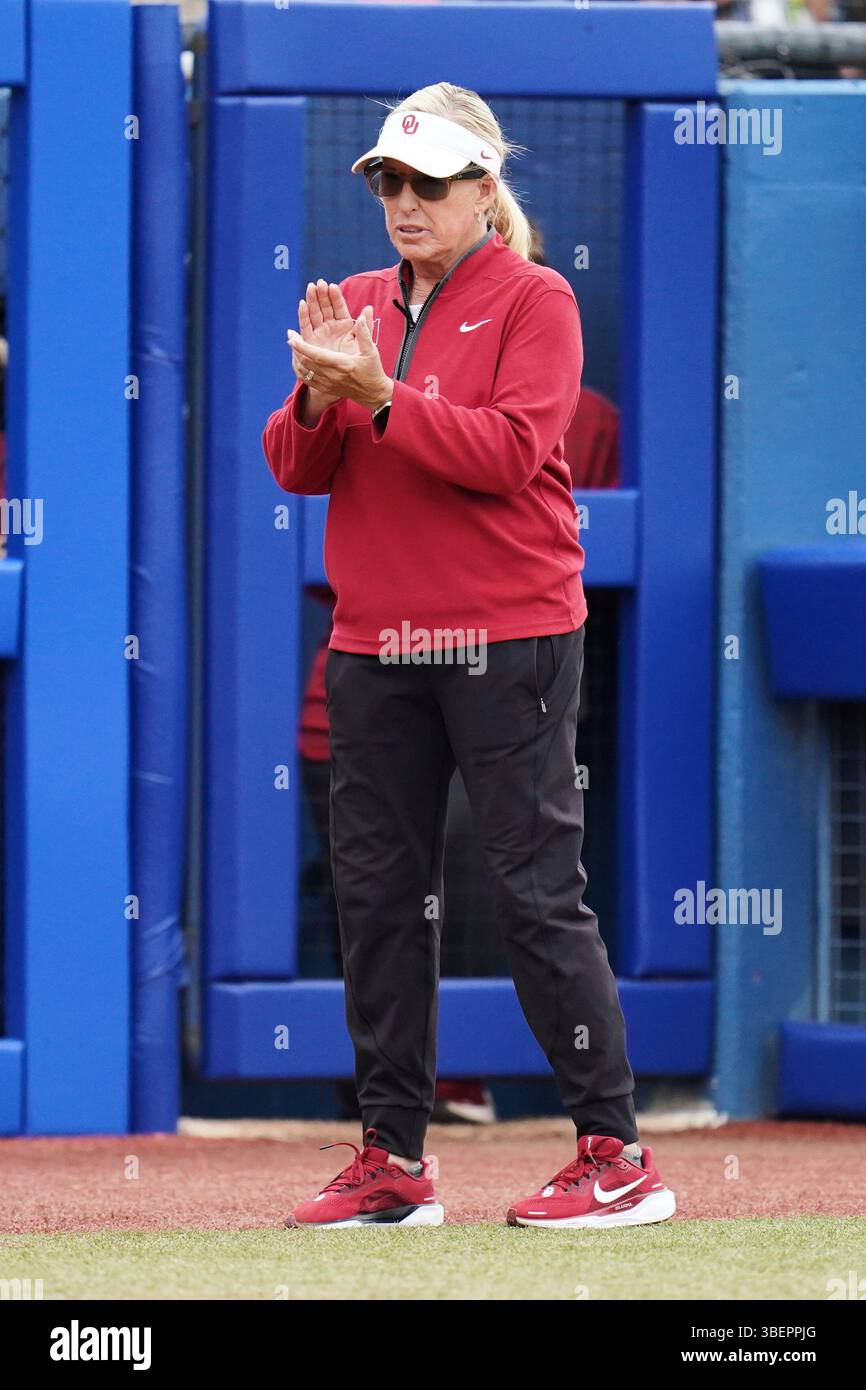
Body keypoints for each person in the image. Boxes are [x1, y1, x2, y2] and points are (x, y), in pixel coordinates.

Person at [263, 83, 676, 1230]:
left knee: (539, 895)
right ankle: (391, 1160)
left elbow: (505, 453)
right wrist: (315, 393)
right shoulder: (353, 299)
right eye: (388, 182)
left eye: (427, 183)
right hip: (374, 643)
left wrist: (380, 396)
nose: (402, 202)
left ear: (482, 192)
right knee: (380, 901)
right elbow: (291, 466)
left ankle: (614, 1154)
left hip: (510, 637)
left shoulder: (536, 298)